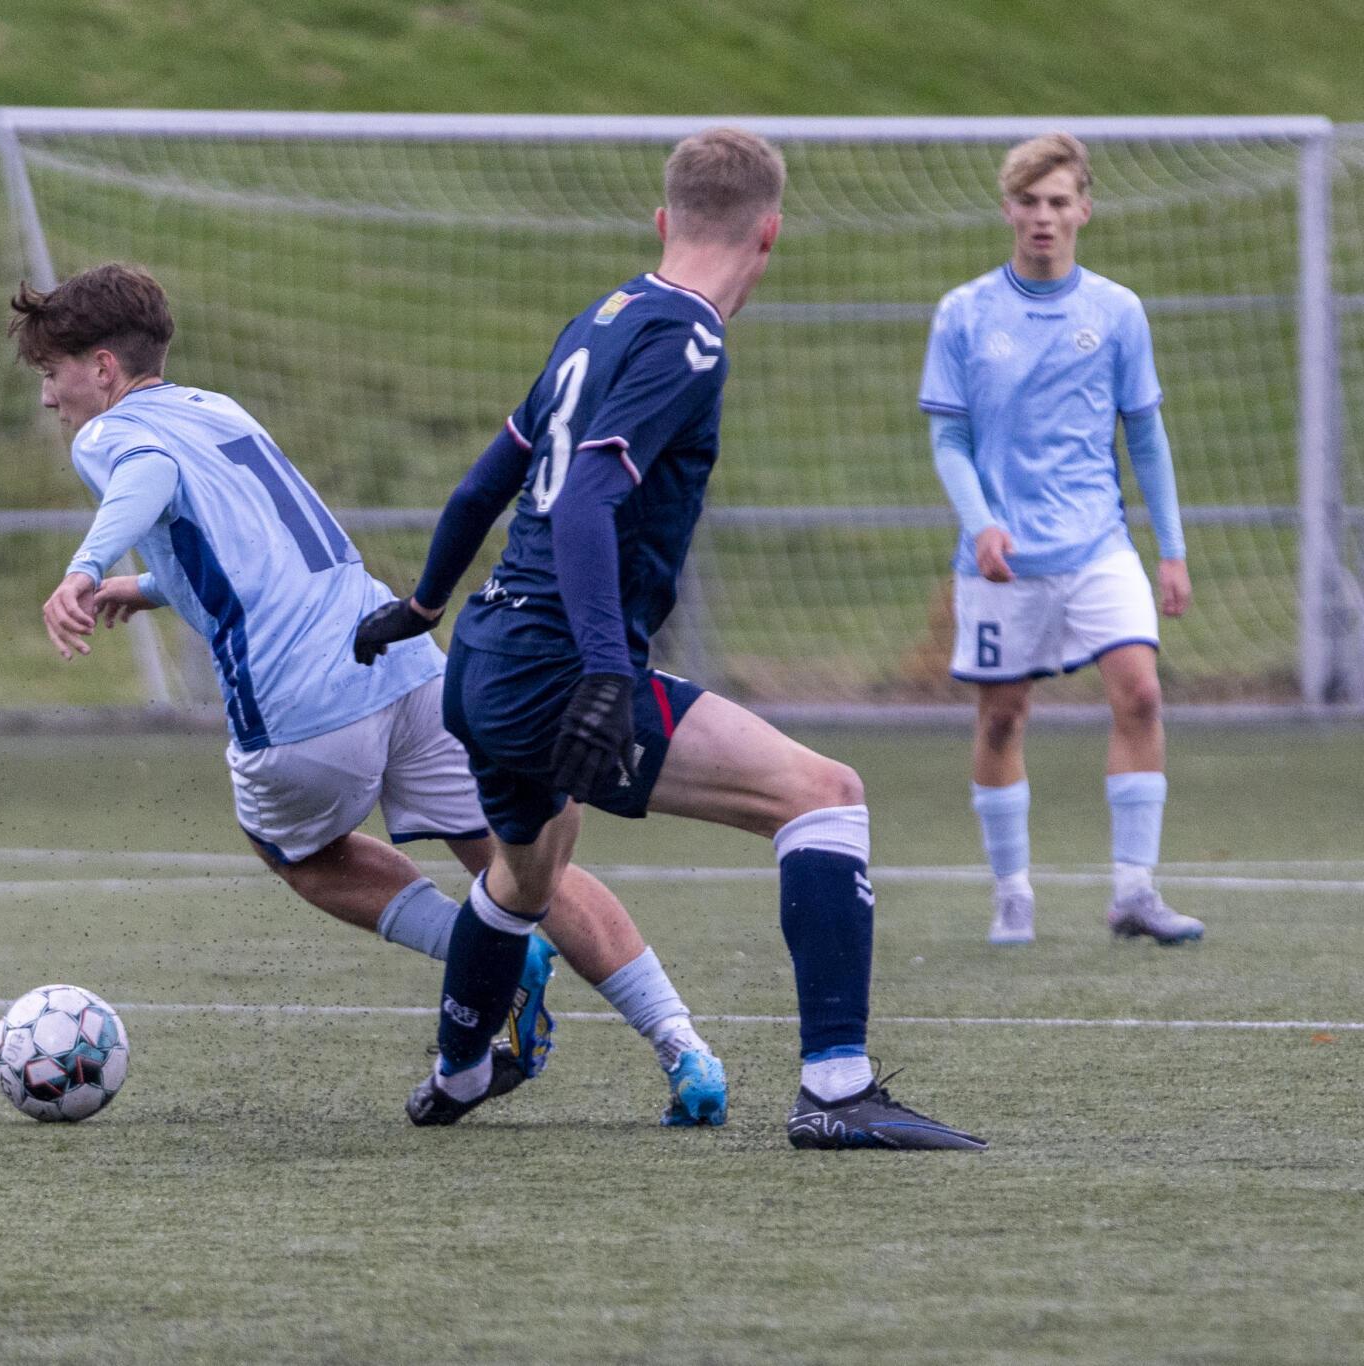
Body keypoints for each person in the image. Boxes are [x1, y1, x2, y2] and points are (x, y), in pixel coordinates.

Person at [356, 128, 984, 1149]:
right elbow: (587, 499)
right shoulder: (688, 339)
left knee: (524, 877)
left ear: (662, 220)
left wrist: (421, 607)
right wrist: (608, 672)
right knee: (822, 797)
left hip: (480, 659)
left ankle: (460, 1069)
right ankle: (836, 1089)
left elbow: (486, 481)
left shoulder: (600, 317)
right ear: (768, 233)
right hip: (562, 666)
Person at [21, 263, 730, 1126]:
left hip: (298, 706)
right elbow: (257, 545)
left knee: (298, 855)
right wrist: (148, 585)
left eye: (52, 374)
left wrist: (84, 569)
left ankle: (485, 952)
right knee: (522, 861)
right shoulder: (220, 411)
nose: (51, 398)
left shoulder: (109, 436)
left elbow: (143, 482)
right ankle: (684, 1047)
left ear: (102, 367)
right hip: (399, 663)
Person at [919, 133, 1201, 949]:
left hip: (1098, 545)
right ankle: (1013, 893)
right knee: (1004, 719)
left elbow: (1146, 438)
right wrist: (983, 526)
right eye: (1029, 202)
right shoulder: (965, 312)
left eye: (1058, 202)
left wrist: (1172, 550)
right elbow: (949, 441)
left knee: (1142, 693)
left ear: (1085, 208)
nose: (1044, 217)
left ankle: (1135, 892)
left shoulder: (1117, 312)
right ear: (1009, 209)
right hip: (1004, 562)